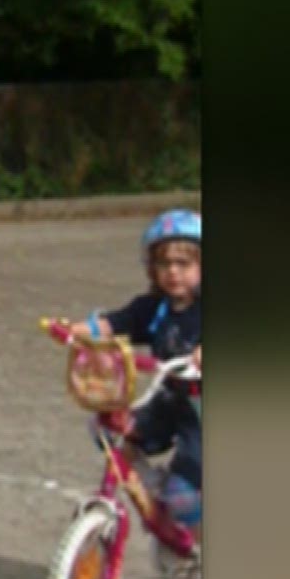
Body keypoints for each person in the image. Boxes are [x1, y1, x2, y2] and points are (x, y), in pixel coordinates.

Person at [86, 209, 203, 537]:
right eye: (164, 264)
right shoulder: (155, 307)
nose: (173, 273)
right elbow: (115, 322)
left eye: (184, 264)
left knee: (184, 498)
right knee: (105, 427)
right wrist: (75, 332)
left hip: (202, 413)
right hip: (165, 401)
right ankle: (152, 484)